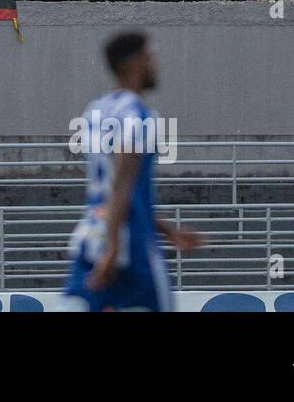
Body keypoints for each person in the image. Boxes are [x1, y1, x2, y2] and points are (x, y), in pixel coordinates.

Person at [62, 32, 202, 312]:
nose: (156, 65)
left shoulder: (94, 111)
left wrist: (168, 230)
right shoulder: (138, 113)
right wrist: (114, 246)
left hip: (91, 238)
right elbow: (123, 180)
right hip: (132, 247)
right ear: (133, 63)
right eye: (150, 57)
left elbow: (117, 190)